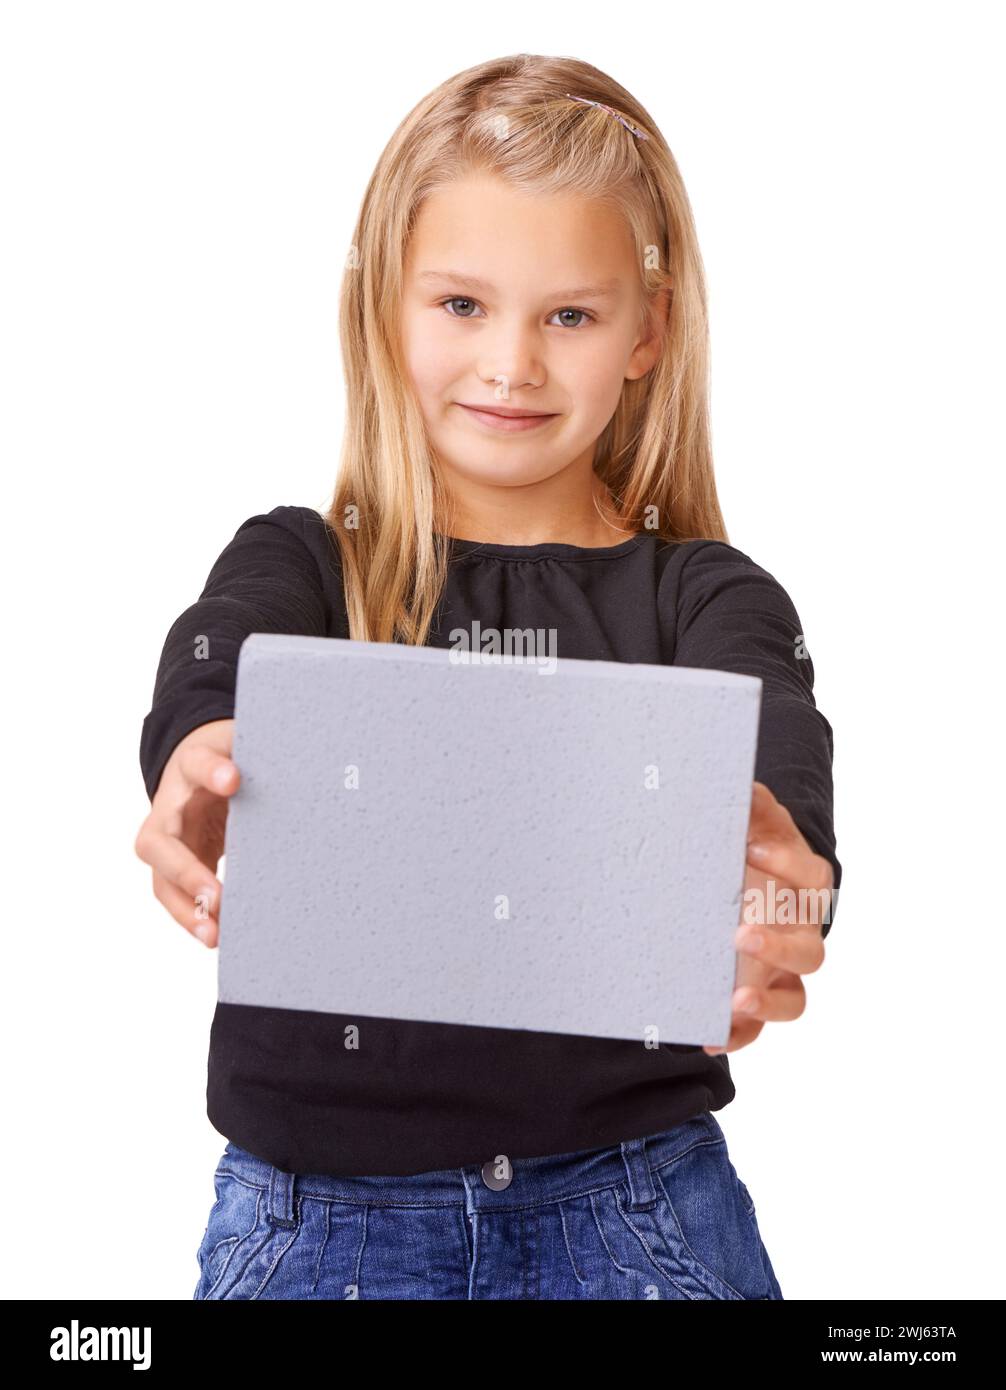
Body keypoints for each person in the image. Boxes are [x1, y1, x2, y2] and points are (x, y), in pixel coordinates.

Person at [134, 53, 841, 1300]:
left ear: (645, 333)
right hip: (317, 1218)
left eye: (567, 314)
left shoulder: (709, 594)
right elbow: (220, 646)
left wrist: (781, 887)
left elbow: (777, 747)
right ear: (382, 310)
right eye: (461, 304)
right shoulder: (305, 560)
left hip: (635, 1203)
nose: (512, 362)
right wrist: (202, 741)